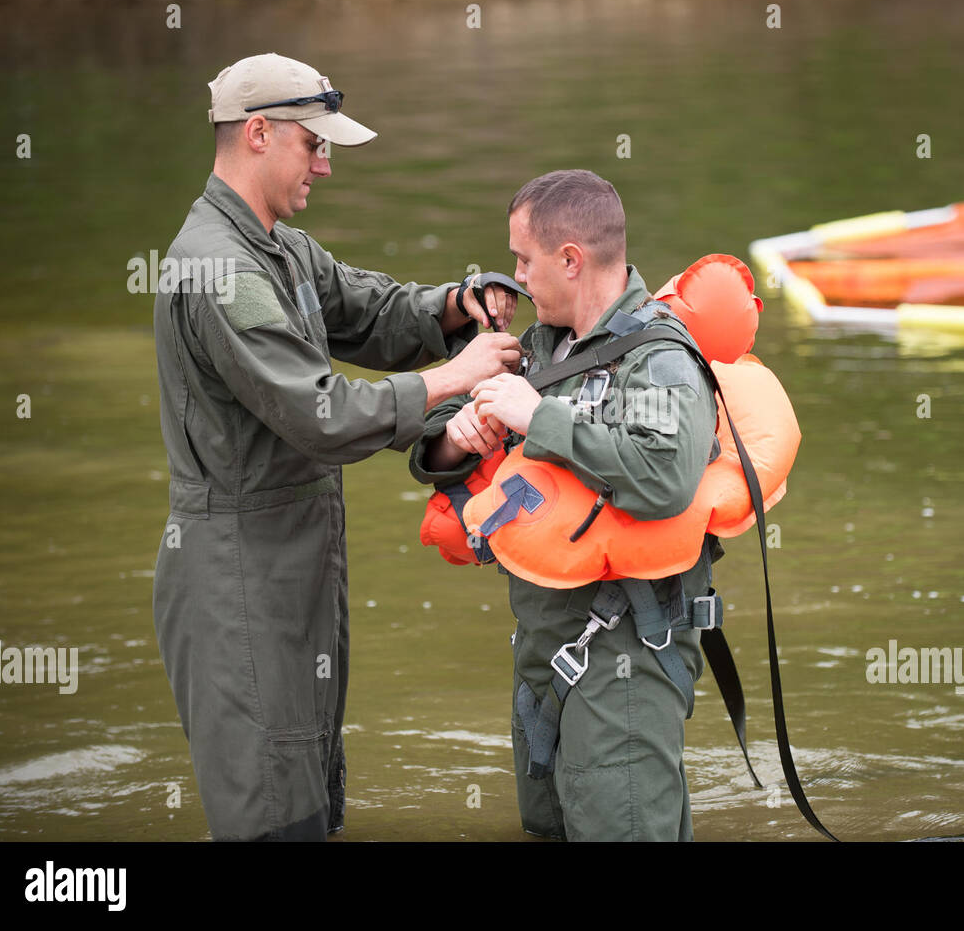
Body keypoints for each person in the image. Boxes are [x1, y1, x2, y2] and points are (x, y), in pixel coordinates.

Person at [152, 53, 522, 841]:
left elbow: (370, 311)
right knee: (272, 813)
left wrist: (459, 305)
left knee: (310, 799)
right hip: (239, 573)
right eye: (312, 144)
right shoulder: (218, 267)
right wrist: (453, 380)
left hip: (296, 564)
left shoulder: (278, 246)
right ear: (257, 134)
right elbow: (318, 411)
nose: (325, 164)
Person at [411, 169, 719, 841]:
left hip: (625, 662)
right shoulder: (546, 347)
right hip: (542, 654)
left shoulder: (658, 359)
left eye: (524, 260)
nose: (516, 278)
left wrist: (538, 417)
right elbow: (435, 454)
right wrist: (455, 441)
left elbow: (664, 478)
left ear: (571, 260)